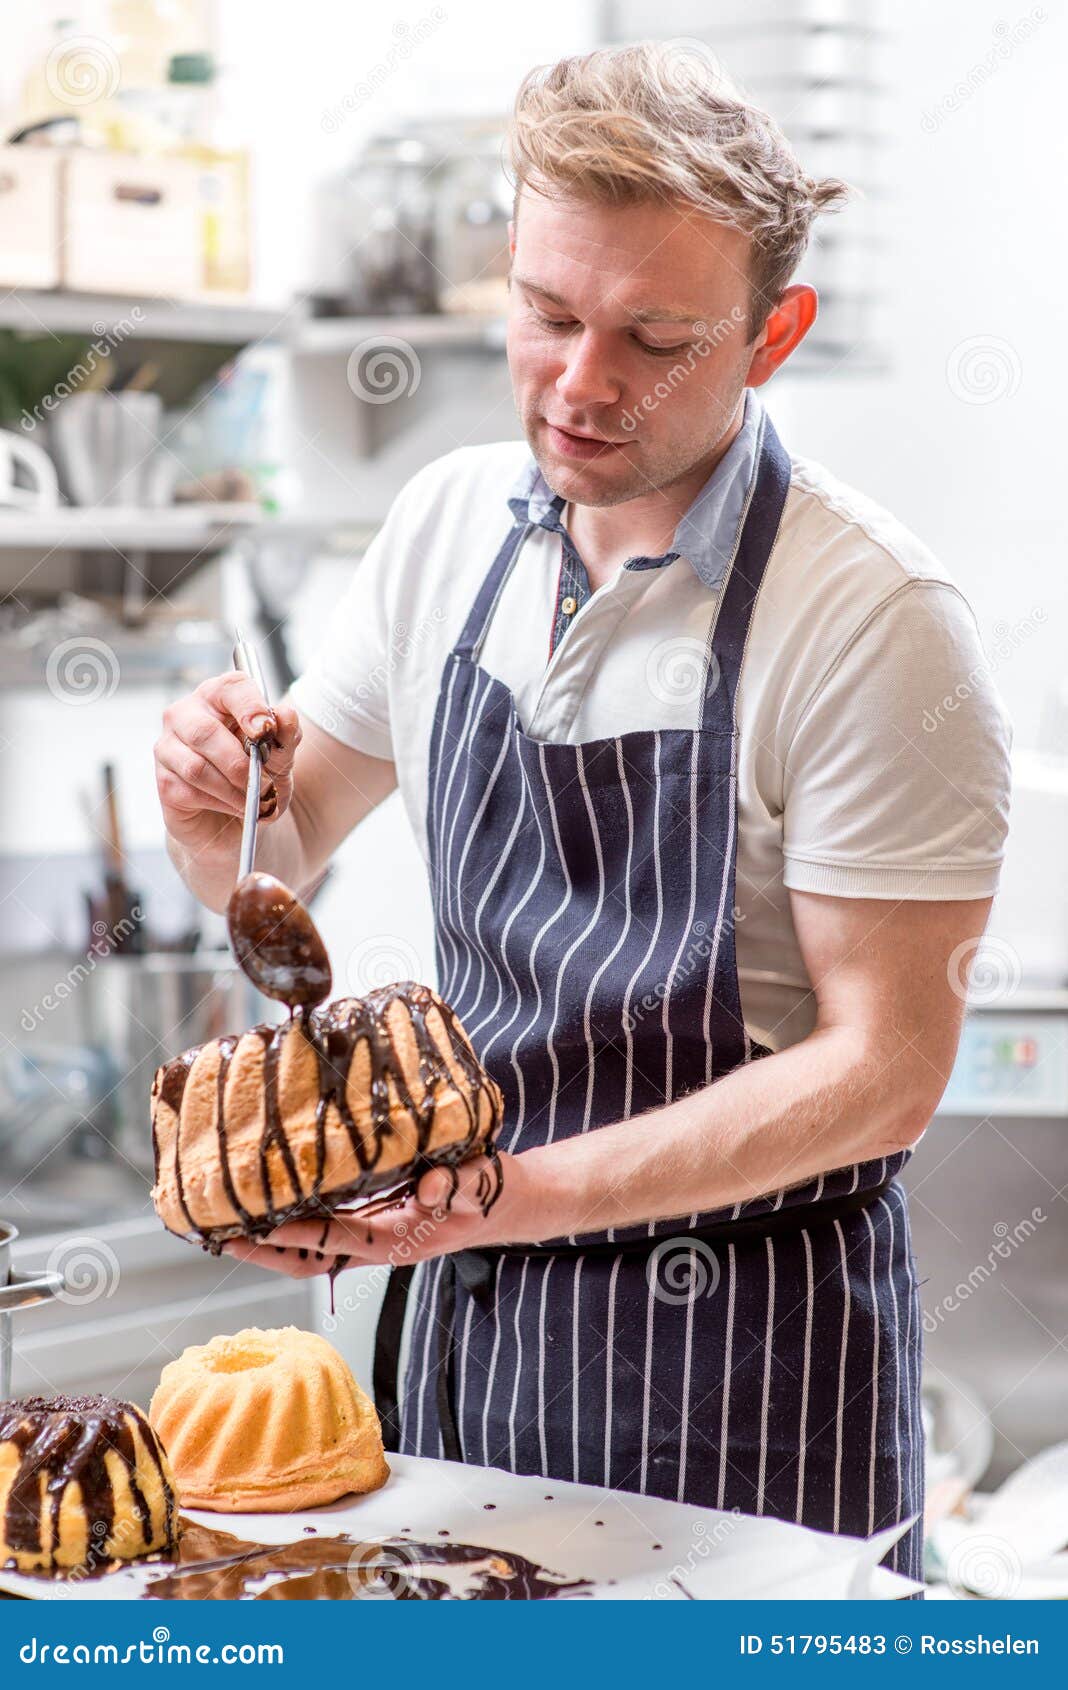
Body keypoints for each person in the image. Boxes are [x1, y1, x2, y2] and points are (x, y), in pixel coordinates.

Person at [155, 43, 1011, 1581]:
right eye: (548, 313)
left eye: (655, 339)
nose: (580, 381)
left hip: (750, 1385)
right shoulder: (442, 528)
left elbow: (886, 1068)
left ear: (773, 335)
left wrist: (501, 1195)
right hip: (472, 1356)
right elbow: (275, 859)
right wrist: (210, 807)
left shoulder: (874, 618)